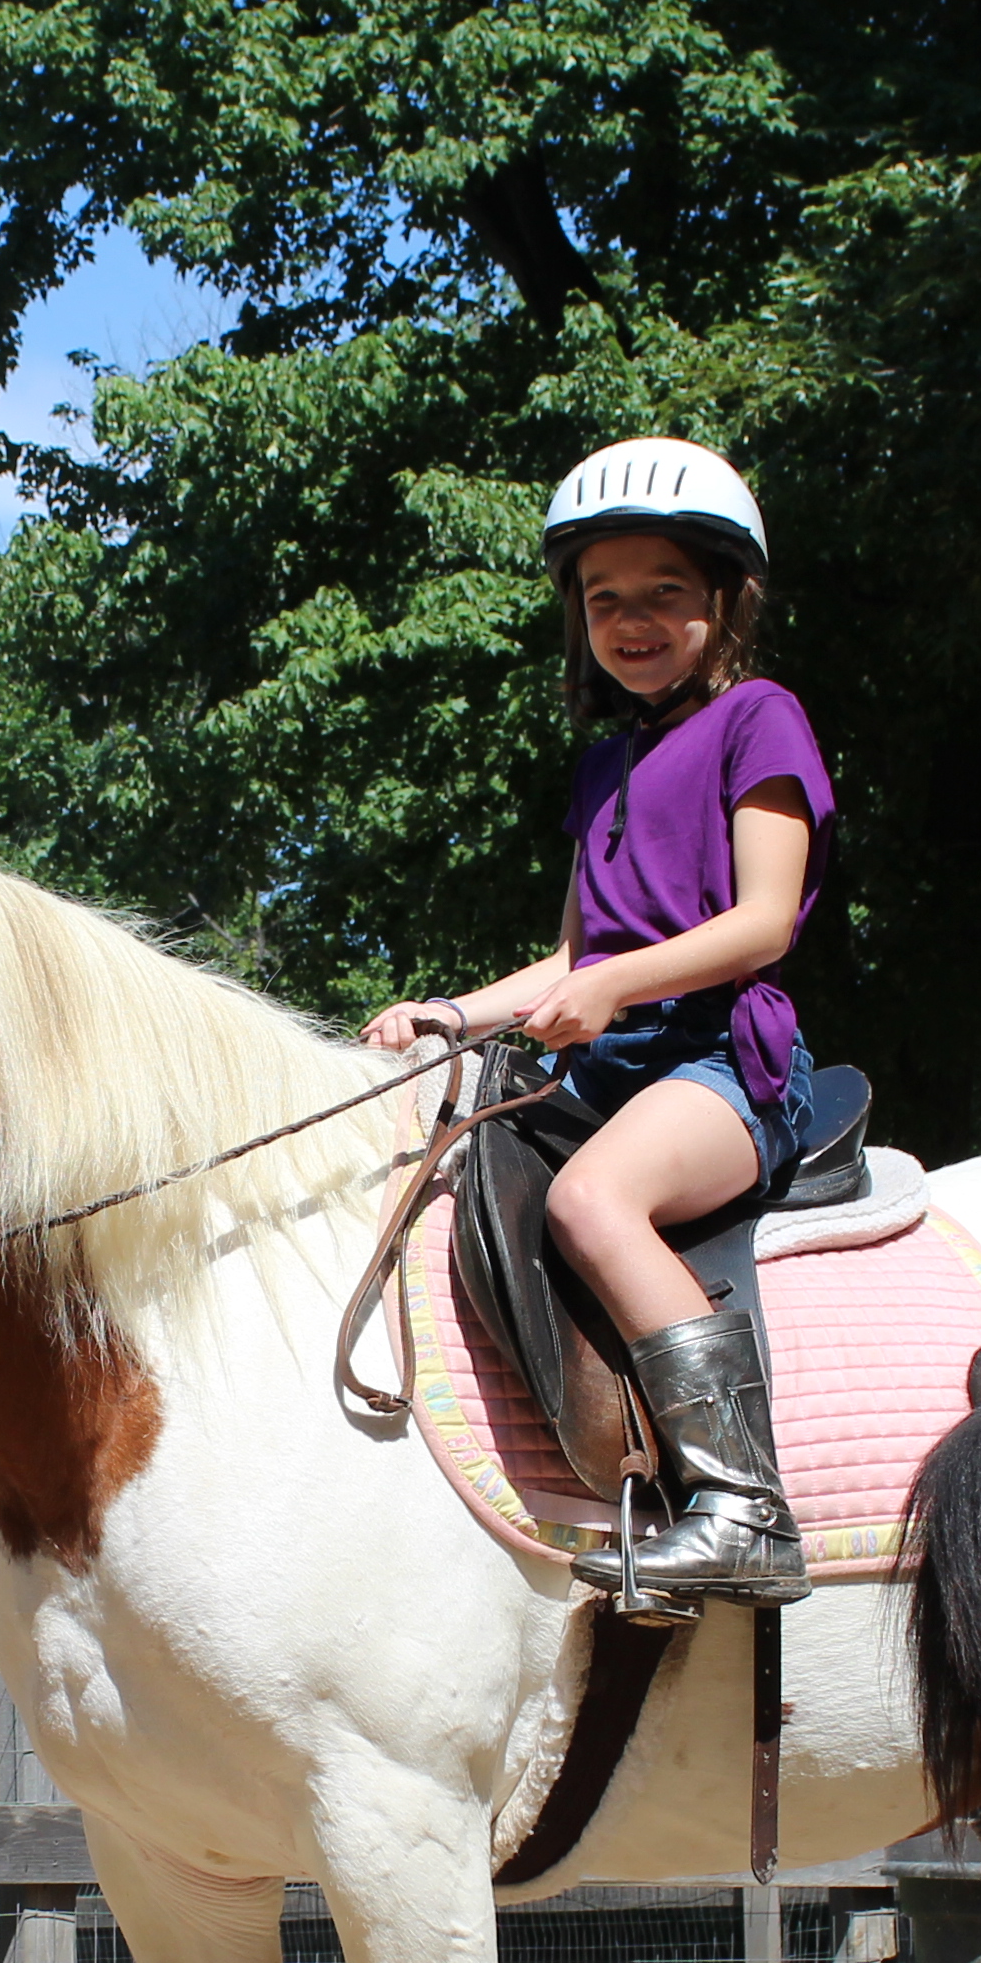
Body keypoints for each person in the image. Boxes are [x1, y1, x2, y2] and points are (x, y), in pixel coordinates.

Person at [363, 438, 836, 1608]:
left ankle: (744, 1509)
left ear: (725, 601)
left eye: (665, 594)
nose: (631, 620)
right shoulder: (604, 767)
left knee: (589, 1200)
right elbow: (578, 955)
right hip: (621, 1070)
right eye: (604, 598)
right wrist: (451, 1013)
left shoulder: (759, 719)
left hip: (729, 1062)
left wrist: (619, 989)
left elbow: (765, 920)